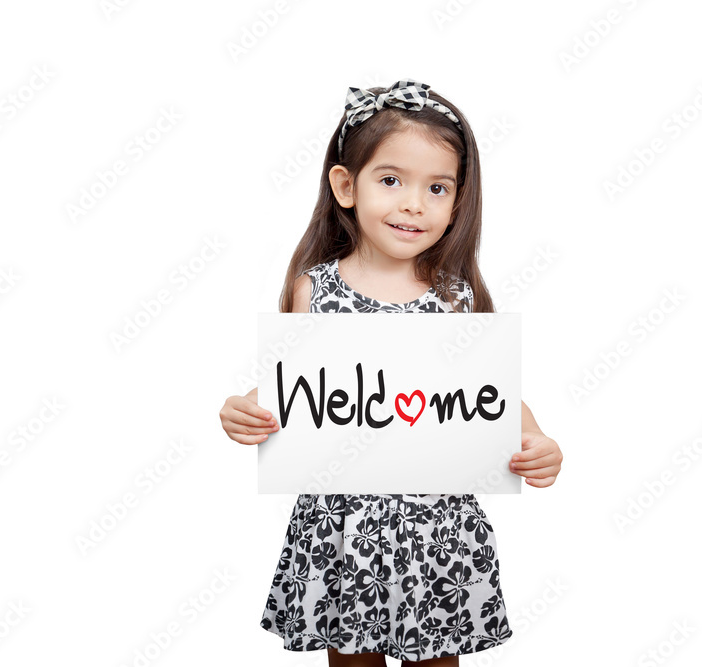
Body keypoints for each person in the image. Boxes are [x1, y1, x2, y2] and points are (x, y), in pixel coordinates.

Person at [219, 79, 563, 667]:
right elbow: (298, 385)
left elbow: (489, 395)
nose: (413, 203)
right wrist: (244, 410)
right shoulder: (315, 289)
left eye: (437, 188)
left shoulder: (455, 297)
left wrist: (535, 439)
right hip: (343, 530)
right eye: (391, 180)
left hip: (438, 531)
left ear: (459, 200)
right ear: (346, 186)